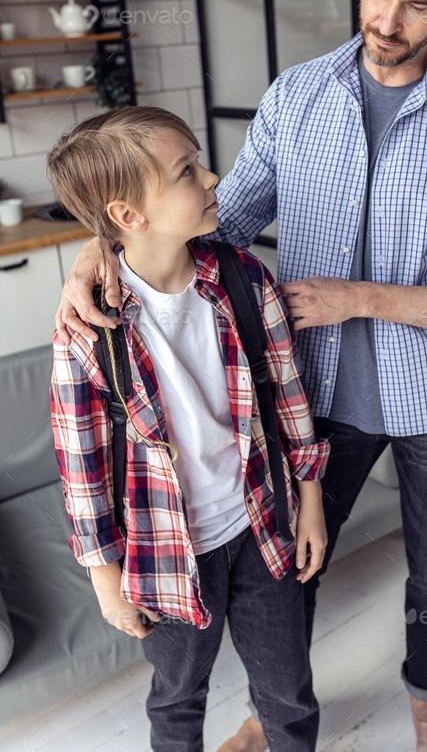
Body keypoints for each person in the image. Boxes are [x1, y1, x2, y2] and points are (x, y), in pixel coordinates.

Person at [55, 0, 427, 752]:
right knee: (292, 566)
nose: (388, 20)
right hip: (308, 392)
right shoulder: (298, 97)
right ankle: (278, 702)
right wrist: (98, 252)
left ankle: (426, 690)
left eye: (419, 6)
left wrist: (357, 298)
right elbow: (219, 217)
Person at [48, 107, 329, 752]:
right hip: (167, 556)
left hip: (260, 530)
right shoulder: (88, 330)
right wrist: (104, 579)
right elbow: (80, 466)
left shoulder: (242, 277)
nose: (213, 177)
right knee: (177, 698)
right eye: (186, 171)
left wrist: (309, 503)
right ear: (128, 215)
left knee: (287, 692)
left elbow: (289, 398)